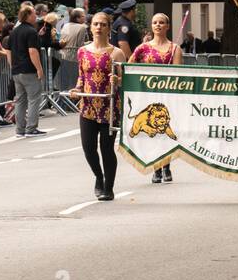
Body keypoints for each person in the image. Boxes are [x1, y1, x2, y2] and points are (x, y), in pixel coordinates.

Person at [69, 12, 127, 201]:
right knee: (88, 148)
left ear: (109, 28)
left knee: (107, 148)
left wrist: (117, 79)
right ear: (91, 27)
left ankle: (108, 188)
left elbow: (125, 80)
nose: (99, 27)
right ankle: (98, 177)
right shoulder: (83, 51)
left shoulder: (116, 52)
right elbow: (82, 76)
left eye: (103, 24)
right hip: (87, 106)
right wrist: (77, 89)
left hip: (109, 106)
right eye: (95, 24)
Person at [132, 13, 183, 183]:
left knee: (165, 132)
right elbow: (130, 67)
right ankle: (156, 168)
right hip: (148, 97)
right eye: (155, 22)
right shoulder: (142, 48)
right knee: (152, 133)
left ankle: (166, 165)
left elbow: (178, 75)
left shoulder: (175, 48)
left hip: (167, 97)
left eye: (161, 22)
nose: (158, 25)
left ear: (167, 26)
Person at [10, 5, 46, 138]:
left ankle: (20, 129)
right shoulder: (31, 32)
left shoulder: (14, 31)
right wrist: (39, 68)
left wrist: (12, 65)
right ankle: (31, 128)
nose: (36, 16)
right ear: (28, 15)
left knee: (20, 100)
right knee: (34, 99)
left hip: (16, 70)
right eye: (34, 14)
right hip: (29, 70)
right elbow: (32, 51)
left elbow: (9, 51)